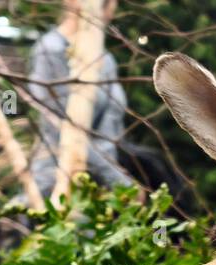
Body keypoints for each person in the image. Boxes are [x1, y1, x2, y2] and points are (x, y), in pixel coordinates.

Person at [28, 0, 136, 197]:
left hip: (100, 187)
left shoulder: (105, 59)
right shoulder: (51, 50)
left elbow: (109, 129)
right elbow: (63, 129)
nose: (111, 8)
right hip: (59, 185)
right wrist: (117, 179)